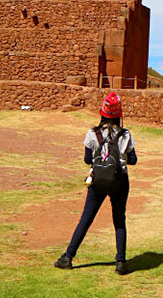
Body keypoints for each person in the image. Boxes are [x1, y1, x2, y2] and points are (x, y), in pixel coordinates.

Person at [54, 91, 137, 275]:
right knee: (119, 219)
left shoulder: (93, 133)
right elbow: (133, 160)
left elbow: (86, 159)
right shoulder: (125, 134)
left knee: (86, 218)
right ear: (119, 115)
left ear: (102, 113)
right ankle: (121, 262)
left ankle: (67, 257)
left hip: (97, 180)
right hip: (120, 180)